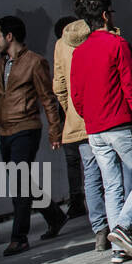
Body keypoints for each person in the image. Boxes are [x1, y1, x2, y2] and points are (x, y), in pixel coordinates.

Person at [69, 0, 132, 264]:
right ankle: (122, 227)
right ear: (106, 15)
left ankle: (119, 248)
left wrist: (90, 116)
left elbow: (76, 96)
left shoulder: (79, 52)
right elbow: (130, 87)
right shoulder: (118, 44)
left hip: (94, 129)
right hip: (119, 123)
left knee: (112, 185)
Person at [0, 15, 66, 255]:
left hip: (26, 128)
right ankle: (54, 215)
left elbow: (48, 98)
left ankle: (19, 237)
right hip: (6, 132)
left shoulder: (35, 62)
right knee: (22, 182)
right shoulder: (1, 65)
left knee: (19, 183)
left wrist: (54, 131)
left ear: (9, 37)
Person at [52, 15, 111, 251]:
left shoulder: (60, 45)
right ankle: (123, 224)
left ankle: (100, 230)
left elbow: (60, 86)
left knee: (92, 174)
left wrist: (72, 111)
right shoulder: (99, 37)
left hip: (80, 120)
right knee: (114, 171)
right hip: (105, 114)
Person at [50, 16, 86, 220]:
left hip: (70, 116)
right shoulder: (87, 44)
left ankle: (77, 202)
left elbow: (59, 87)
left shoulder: (59, 48)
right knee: (95, 164)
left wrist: (68, 109)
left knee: (74, 161)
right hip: (86, 114)